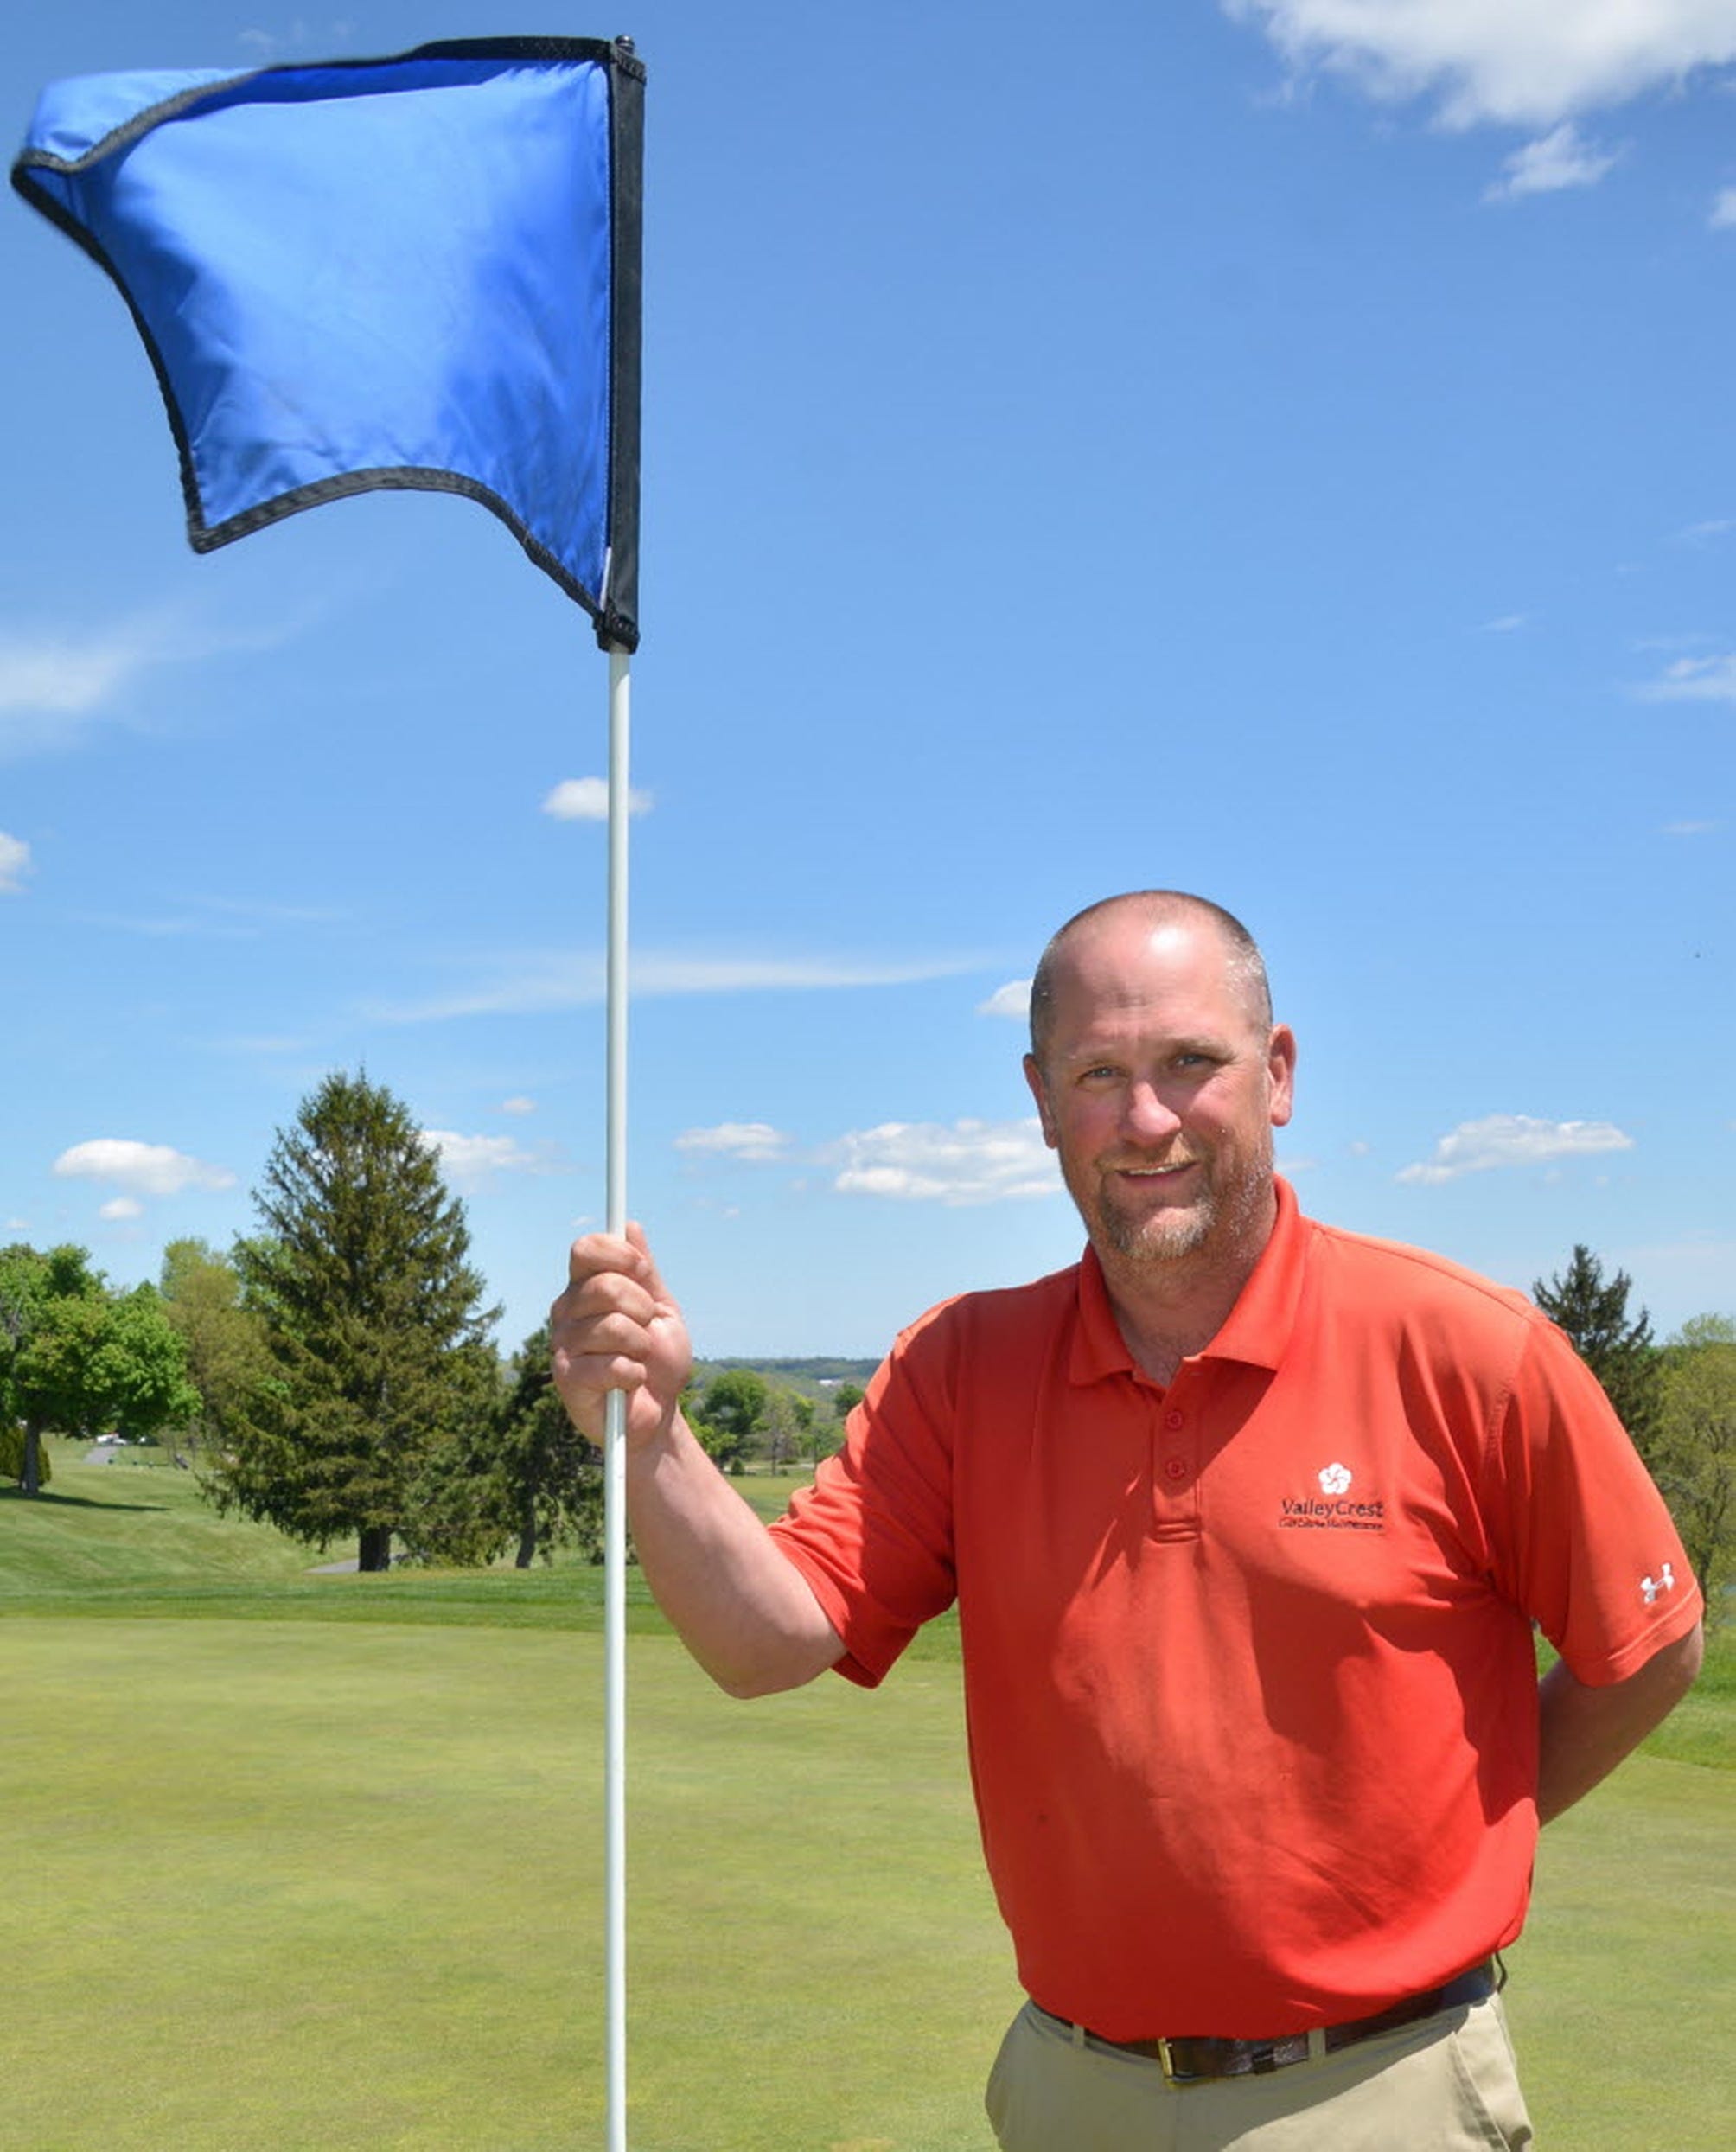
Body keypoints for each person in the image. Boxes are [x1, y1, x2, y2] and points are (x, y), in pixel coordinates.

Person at [550, 890, 1704, 2151]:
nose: (1146, 1117)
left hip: (1383, 2088)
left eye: (1190, 1062)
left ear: (1277, 1075)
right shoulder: (962, 1365)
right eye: (1100, 1072)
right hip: (1071, 2091)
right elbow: (766, 1639)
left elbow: (1647, 1651)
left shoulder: (1472, 1350)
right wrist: (653, 1437)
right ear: (1042, 1099)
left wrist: (1466, 1826)